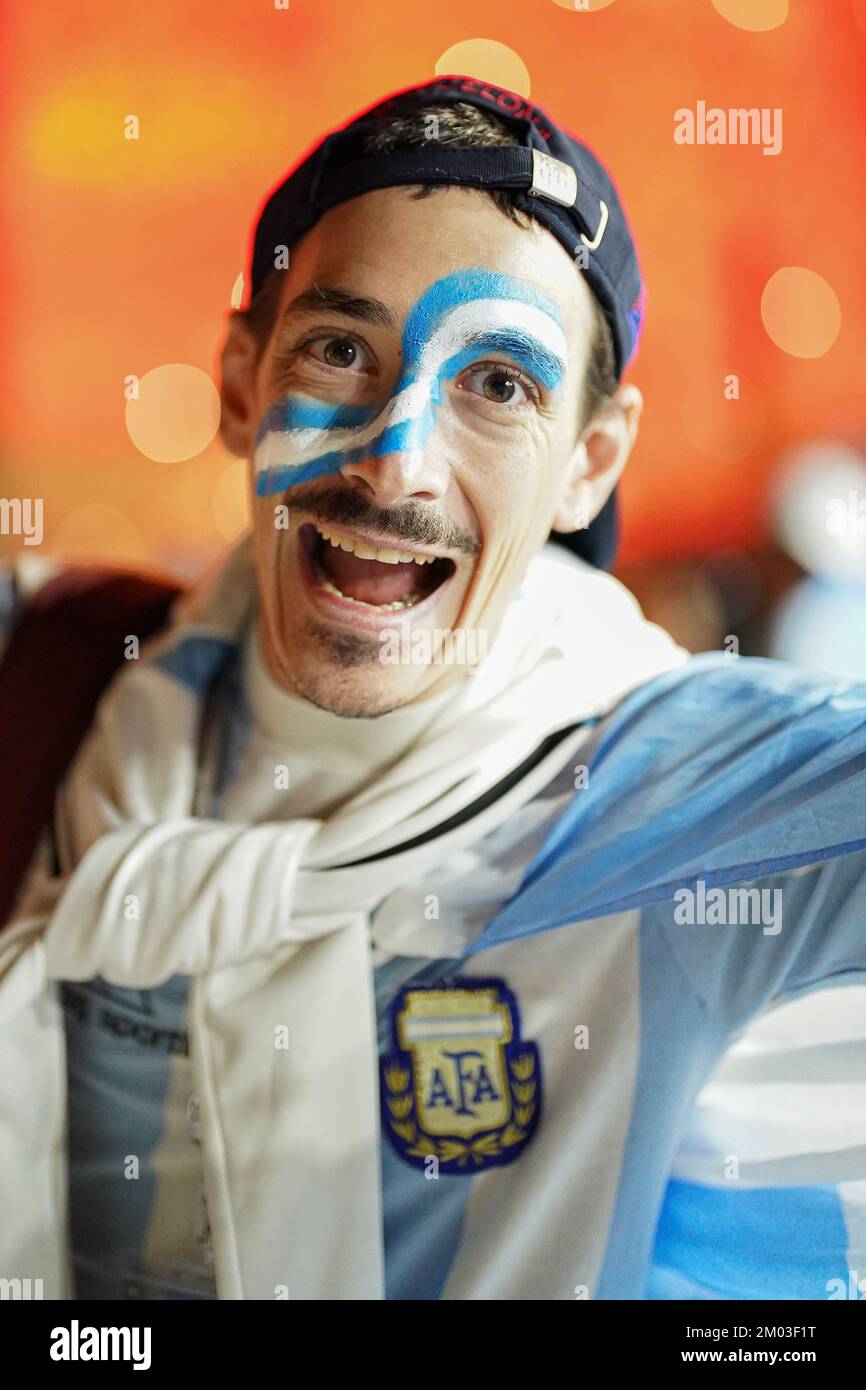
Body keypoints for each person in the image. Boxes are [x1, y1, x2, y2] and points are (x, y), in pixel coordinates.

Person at [0, 74, 864, 1302]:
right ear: (243, 383)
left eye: (498, 386)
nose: (398, 459)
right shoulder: (50, 667)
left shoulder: (697, 788)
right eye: (340, 349)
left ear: (588, 463)